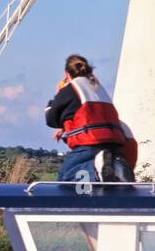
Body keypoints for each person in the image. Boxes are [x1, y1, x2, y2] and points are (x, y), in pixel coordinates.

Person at [45, 54, 138, 183]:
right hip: (115, 144)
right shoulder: (98, 88)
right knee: (105, 178)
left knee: (65, 176)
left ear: (66, 74)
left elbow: (51, 118)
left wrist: (57, 95)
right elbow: (90, 115)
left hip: (90, 143)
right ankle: (116, 168)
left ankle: (95, 169)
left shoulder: (71, 88)